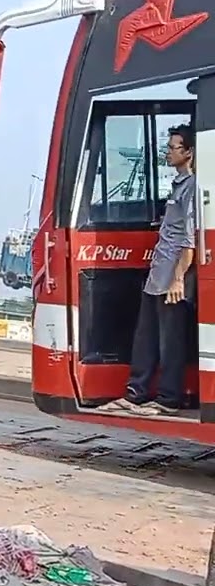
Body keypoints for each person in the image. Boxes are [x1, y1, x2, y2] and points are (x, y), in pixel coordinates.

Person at [106, 124, 198, 416]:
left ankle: (169, 398)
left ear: (189, 152)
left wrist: (178, 280)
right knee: (145, 337)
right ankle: (136, 393)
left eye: (173, 147)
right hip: (157, 274)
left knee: (171, 341)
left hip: (171, 278)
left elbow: (190, 241)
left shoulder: (193, 188)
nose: (168, 152)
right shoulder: (177, 185)